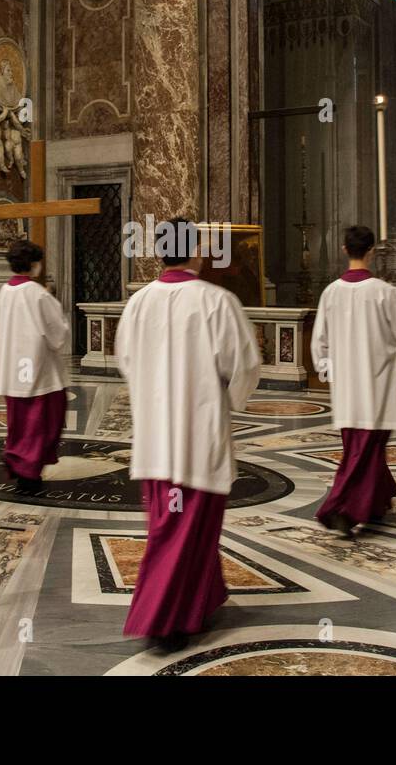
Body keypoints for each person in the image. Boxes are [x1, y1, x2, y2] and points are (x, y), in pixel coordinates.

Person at [114, 219, 261, 651]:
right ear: (194, 250)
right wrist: (229, 399)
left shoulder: (138, 302)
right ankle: (162, 616)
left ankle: (201, 598)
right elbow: (243, 367)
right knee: (184, 529)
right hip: (198, 435)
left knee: (175, 524)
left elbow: (126, 359)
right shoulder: (217, 301)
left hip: (156, 437)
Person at [311, 225, 396, 538]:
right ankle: (340, 508)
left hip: (347, 385)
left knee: (360, 448)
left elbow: (320, 342)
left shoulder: (331, 293)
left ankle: (376, 500)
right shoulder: (384, 292)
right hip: (378, 385)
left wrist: (329, 372)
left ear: (344, 249)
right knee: (366, 449)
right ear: (371, 250)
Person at [0, 239, 69, 494]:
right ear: (34, 263)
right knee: (40, 426)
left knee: (20, 424)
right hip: (38, 371)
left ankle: (19, 464)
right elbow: (58, 333)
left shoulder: (4, 293)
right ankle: (29, 475)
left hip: (13, 369)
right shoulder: (37, 294)